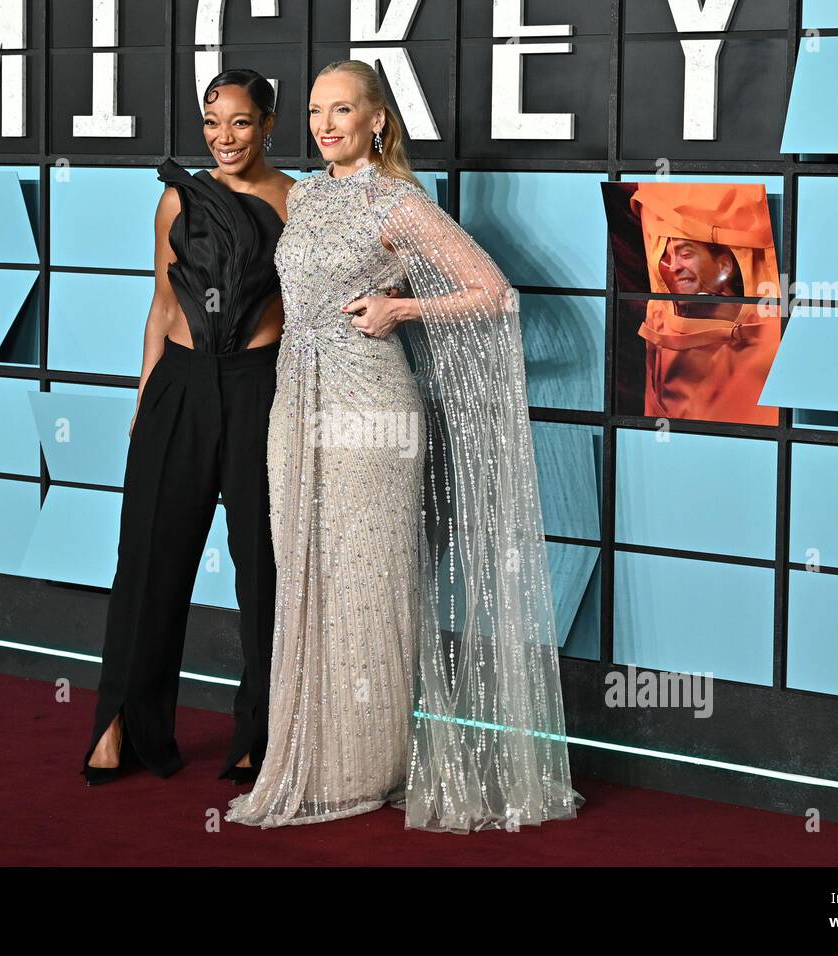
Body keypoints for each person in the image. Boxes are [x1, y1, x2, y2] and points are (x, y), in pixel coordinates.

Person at [225, 60, 582, 832]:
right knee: (304, 573)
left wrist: (400, 308)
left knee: (365, 577)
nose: (324, 125)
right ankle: (311, 749)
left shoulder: (398, 201)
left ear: (377, 120)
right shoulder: (310, 193)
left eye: (342, 109)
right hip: (296, 404)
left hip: (370, 410)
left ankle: (365, 765)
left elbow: (494, 292)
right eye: (316, 110)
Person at [81, 69, 295, 786]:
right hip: (179, 384)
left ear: (269, 124)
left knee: (263, 570)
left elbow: (306, 317)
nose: (223, 137)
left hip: (259, 388)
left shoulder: (300, 200)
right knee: (147, 560)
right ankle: (121, 725)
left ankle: (259, 734)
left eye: (240, 122)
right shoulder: (178, 197)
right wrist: (147, 400)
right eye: (211, 122)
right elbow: (162, 306)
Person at [628, 183, 781, 425]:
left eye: (686, 254)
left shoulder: (762, 333)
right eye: (665, 256)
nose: (673, 267)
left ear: (724, 266)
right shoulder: (663, 332)